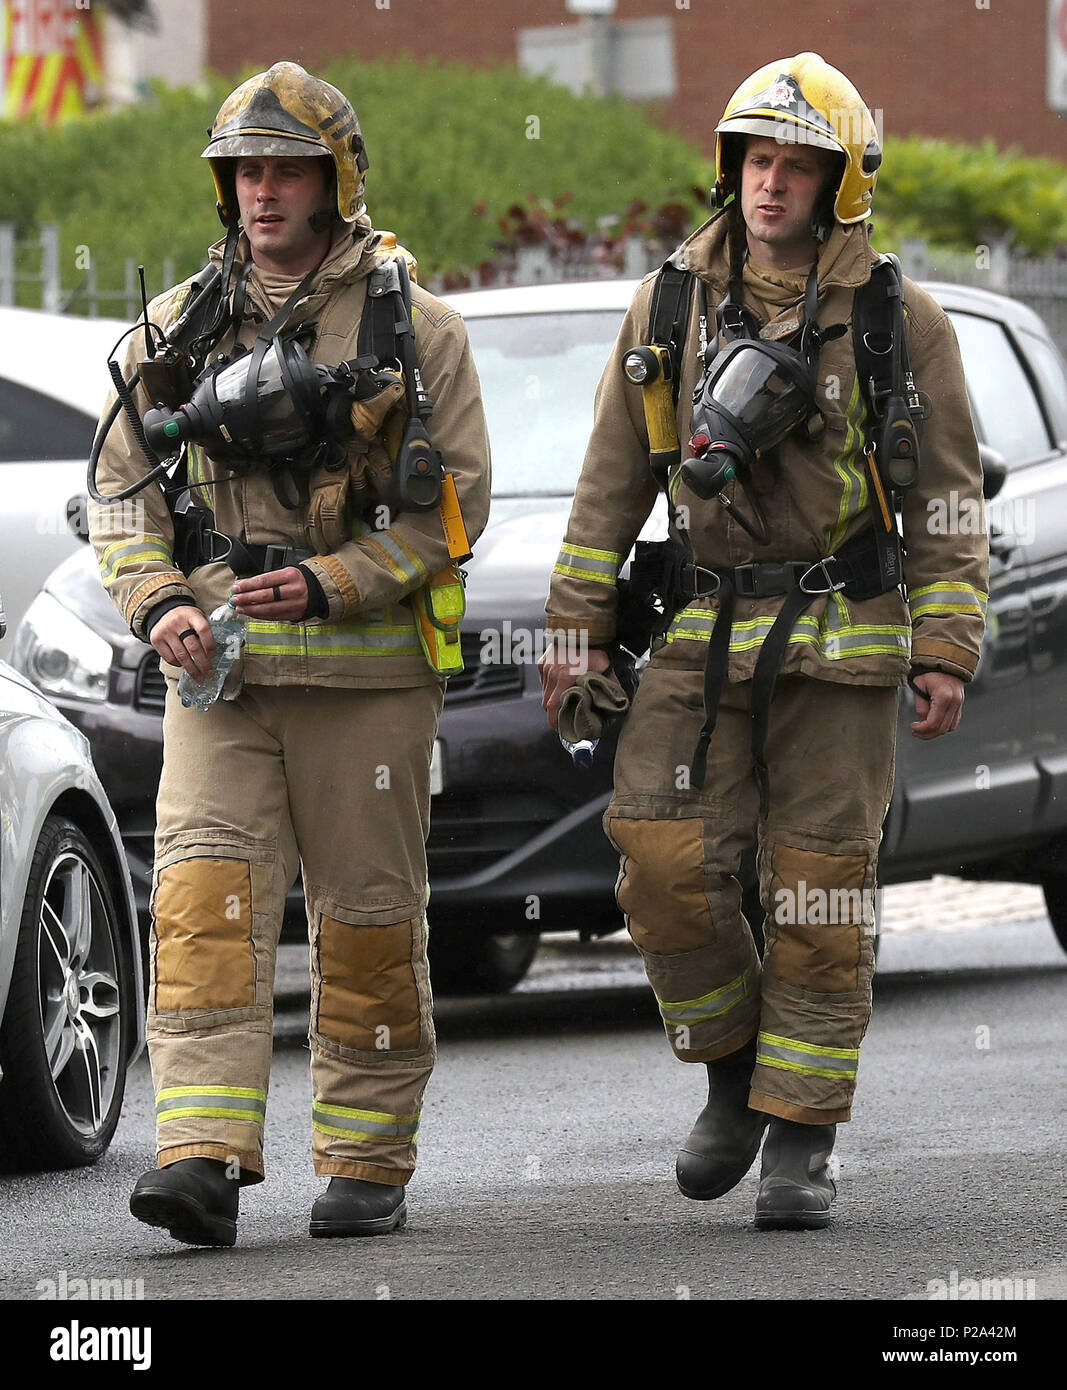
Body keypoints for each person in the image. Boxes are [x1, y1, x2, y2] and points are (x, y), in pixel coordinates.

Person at [540, 52, 987, 1229]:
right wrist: (575, 632)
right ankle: (733, 1075)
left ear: (838, 183)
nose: (767, 184)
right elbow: (606, 489)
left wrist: (943, 644)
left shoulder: (901, 319)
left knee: (820, 890)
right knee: (661, 861)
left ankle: (799, 1136)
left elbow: (946, 502)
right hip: (699, 631)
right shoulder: (668, 304)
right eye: (753, 159)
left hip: (842, 638)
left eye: (794, 164)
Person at [88, 61, 490, 1245]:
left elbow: (453, 509)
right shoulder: (172, 329)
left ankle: (365, 1162)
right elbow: (120, 494)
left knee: (366, 920)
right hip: (223, 678)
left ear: (334, 180)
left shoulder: (417, 332)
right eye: (244, 171)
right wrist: (157, 598)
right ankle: (201, 1157)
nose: (262, 192)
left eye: (286, 170)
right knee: (202, 906)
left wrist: (331, 580)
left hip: (368, 680)